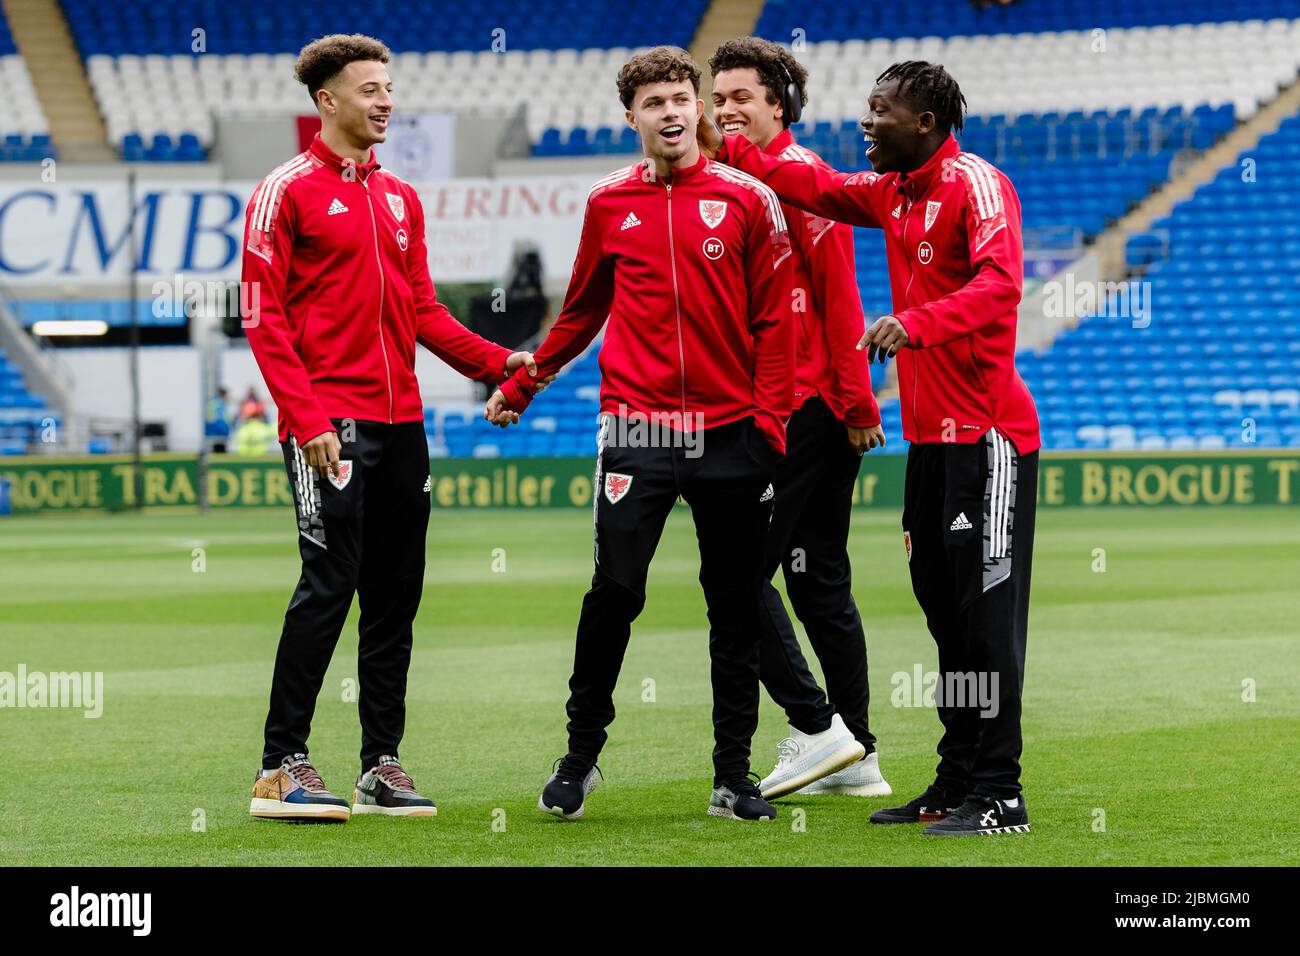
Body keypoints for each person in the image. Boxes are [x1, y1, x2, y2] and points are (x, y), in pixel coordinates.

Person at [707, 60, 1040, 835]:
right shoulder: (893, 193)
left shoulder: (975, 184)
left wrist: (913, 324)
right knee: (946, 618)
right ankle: (957, 780)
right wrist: (722, 140)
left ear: (924, 121)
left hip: (986, 439)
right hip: (929, 444)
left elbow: (1001, 284)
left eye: (879, 110)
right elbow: (813, 188)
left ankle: (1001, 792)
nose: (866, 122)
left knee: (986, 621)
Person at [486, 46, 796, 822]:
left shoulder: (749, 199)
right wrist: (525, 382)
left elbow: (777, 320)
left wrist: (771, 424)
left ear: (698, 109)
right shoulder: (606, 203)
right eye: (653, 103)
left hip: (732, 434)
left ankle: (733, 776)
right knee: (614, 593)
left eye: (679, 100)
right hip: (635, 428)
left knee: (733, 605)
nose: (669, 113)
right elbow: (583, 309)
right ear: (632, 117)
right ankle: (580, 757)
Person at [240, 33, 543, 822]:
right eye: (370, 89)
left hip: (400, 424)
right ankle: (281, 766)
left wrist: (498, 361)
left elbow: (421, 311)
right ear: (327, 101)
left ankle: (382, 763)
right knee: (327, 585)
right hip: (326, 424)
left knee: (395, 596)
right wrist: (306, 417)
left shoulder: (399, 197)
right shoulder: (286, 190)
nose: (386, 101)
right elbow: (261, 317)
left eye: (389, 88)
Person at [709, 36, 892, 801]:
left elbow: (837, 293)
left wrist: (854, 402)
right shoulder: (735, 176)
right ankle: (859, 757)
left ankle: (821, 732)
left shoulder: (798, 177)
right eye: (717, 100)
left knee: (739, 572)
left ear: (776, 105)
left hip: (806, 410)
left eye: (740, 98)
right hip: (790, 406)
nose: (725, 112)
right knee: (818, 580)